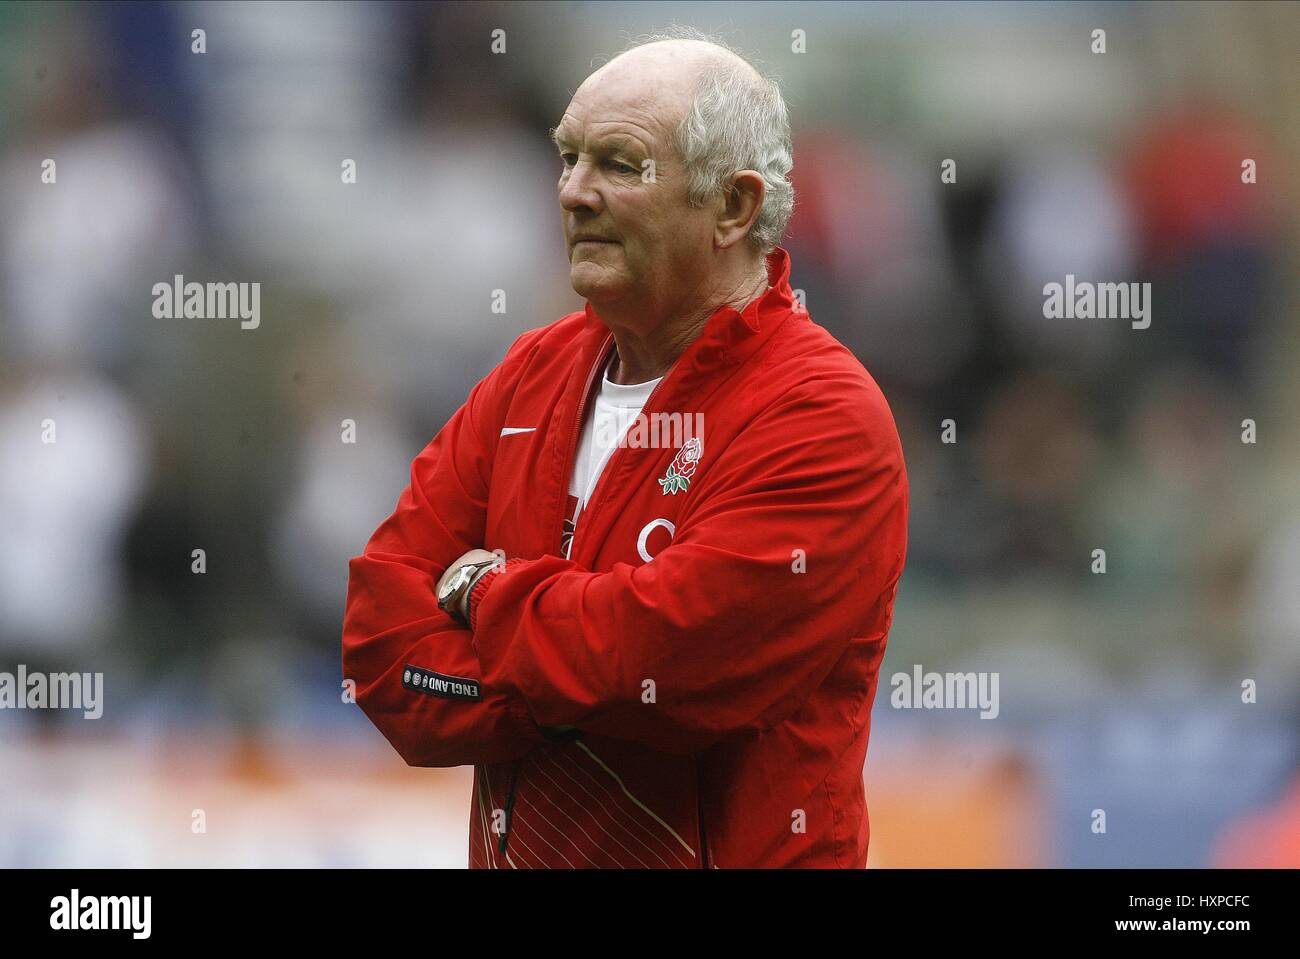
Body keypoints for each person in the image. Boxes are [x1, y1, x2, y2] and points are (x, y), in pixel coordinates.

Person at [342, 30, 908, 868]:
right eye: (567, 158)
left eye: (618, 164)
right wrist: (557, 676)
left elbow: (661, 668)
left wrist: (481, 589)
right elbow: (382, 646)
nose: (573, 192)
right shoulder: (529, 375)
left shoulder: (821, 416)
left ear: (733, 208)